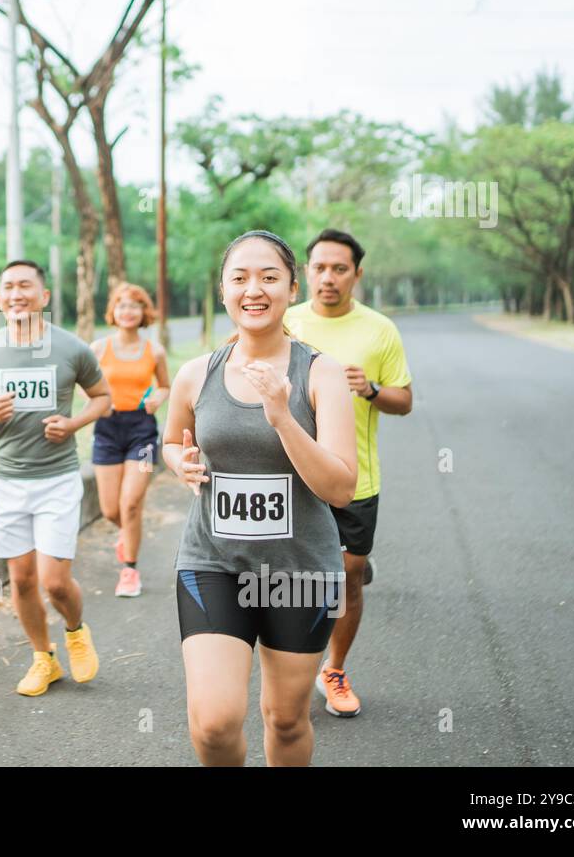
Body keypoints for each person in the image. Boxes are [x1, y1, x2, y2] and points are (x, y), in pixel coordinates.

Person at [162, 230, 357, 766]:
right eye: (240, 278)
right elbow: (171, 442)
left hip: (301, 571)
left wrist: (281, 416)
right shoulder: (194, 374)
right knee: (214, 724)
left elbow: (340, 487)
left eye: (269, 277)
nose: (255, 289)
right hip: (213, 562)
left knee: (286, 719)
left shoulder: (321, 373)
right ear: (223, 290)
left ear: (292, 288)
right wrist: (181, 461)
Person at [0, 259, 113, 696]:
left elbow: (102, 398)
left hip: (57, 479)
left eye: (25, 286)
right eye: (8, 287)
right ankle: (43, 658)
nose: (17, 294)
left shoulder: (71, 349)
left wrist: (73, 424)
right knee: (23, 579)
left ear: (43, 296)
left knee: (53, 581)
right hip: (6, 480)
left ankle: (74, 630)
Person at [283, 228, 413, 718]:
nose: (328, 277)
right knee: (294, 580)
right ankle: (293, 668)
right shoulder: (285, 322)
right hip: (293, 477)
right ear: (305, 273)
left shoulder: (379, 330)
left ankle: (333, 668)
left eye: (340, 269)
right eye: (319, 267)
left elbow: (404, 401)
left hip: (354, 479)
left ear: (357, 273)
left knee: (348, 580)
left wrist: (373, 389)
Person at [90, 282, 170, 597]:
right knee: (111, 509)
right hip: (107, 428)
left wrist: (158, 399)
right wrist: (98, 401)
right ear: (114, 312)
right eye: (122, 305)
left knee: (131, 503)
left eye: (135, 306)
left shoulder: (155, 350)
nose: (128, 311)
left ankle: (130, 571)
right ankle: (127, 533)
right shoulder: (98, 349)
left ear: (143, 313)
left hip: (143, 430)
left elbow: (165, 385)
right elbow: (86, 385)